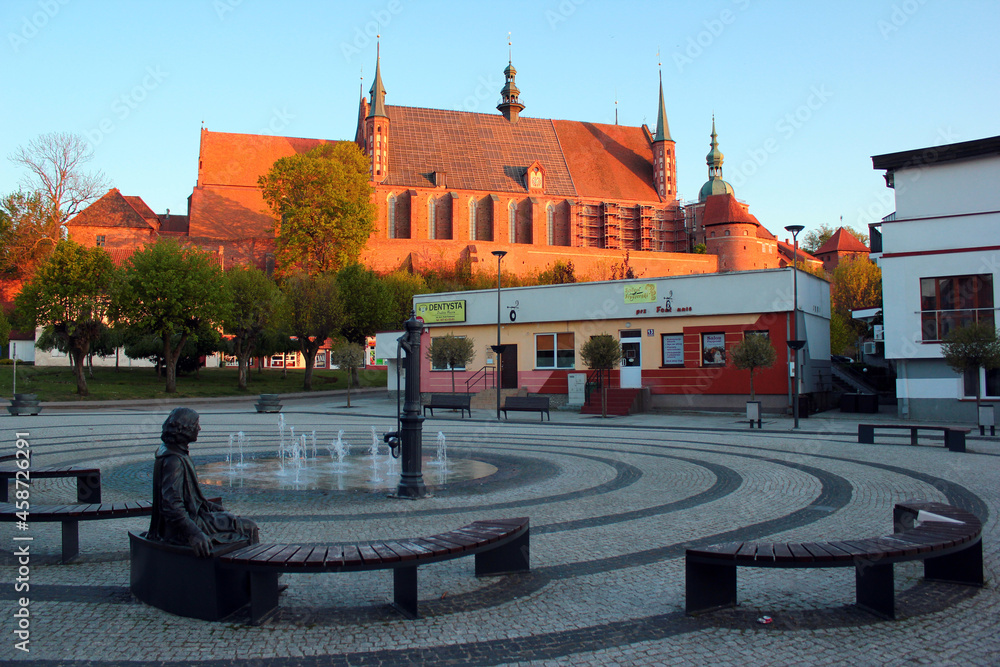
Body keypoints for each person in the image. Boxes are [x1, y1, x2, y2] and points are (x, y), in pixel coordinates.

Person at [147, 407, 259, 557]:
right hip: (182, 529)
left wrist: (210, 506)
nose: (199, 428)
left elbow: (189, 499)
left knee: (229, 517)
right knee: (248, 527)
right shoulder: (174, 460)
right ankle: (254, 575)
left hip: (188, 519)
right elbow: (172, 506)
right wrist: (194, 533)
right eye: (196, 424)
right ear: (184, 428)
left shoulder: (171, 451)